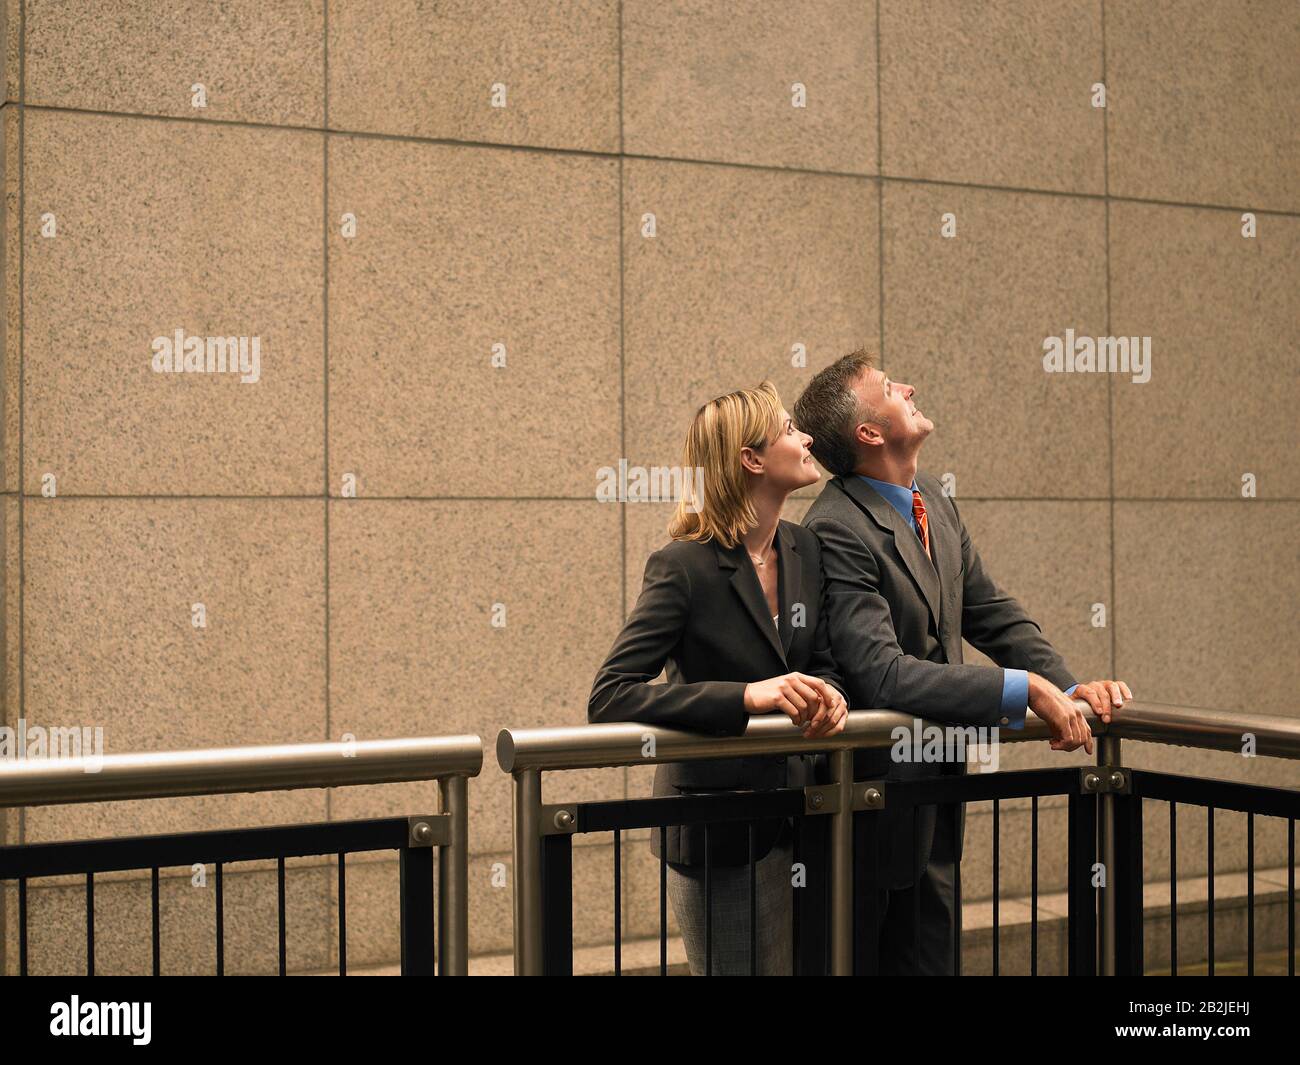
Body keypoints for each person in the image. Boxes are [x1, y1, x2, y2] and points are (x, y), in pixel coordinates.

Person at [793, 348, 1133, 975]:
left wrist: (1069, 684)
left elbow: (991, 614)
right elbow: (883, 673)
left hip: (936, 792)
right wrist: (1020, 689)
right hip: (868, 803)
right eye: (889, 387)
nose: (909, 385)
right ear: (870, 432)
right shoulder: (836, 526)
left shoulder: (935, 504)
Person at [588, 381, 848, 975]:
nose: (806, 437)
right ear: (752, 459)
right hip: (718, 833)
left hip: (806, 821)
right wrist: (746, 698)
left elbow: (826, 662)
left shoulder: (805, 548)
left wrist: (833, 693)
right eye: (788, 429)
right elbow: (610, 696)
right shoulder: (683, 566)